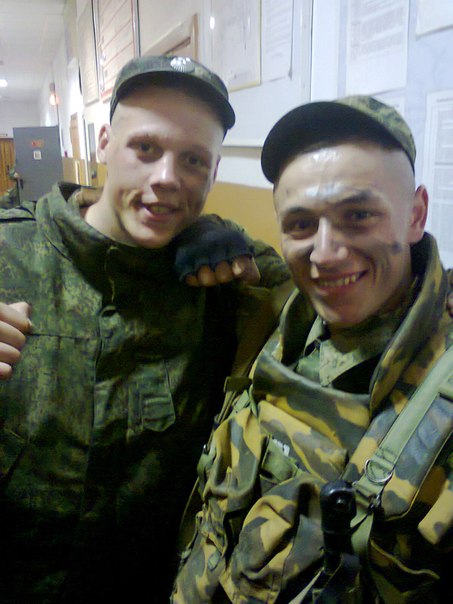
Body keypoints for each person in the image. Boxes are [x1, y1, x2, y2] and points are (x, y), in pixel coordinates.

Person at [0, 55, 291, 603]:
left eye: (193, 160)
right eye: (146, 148)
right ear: (105, 143)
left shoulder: (224, 279)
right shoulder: (9, 251)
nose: (167, 179)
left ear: (214, 171)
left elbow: (327, 302)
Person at [172, 96, 453, 603]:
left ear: (416, 215)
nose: (325, 254)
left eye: (359, 215)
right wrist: (201, 227)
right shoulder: (269, 318)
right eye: (300, 224)